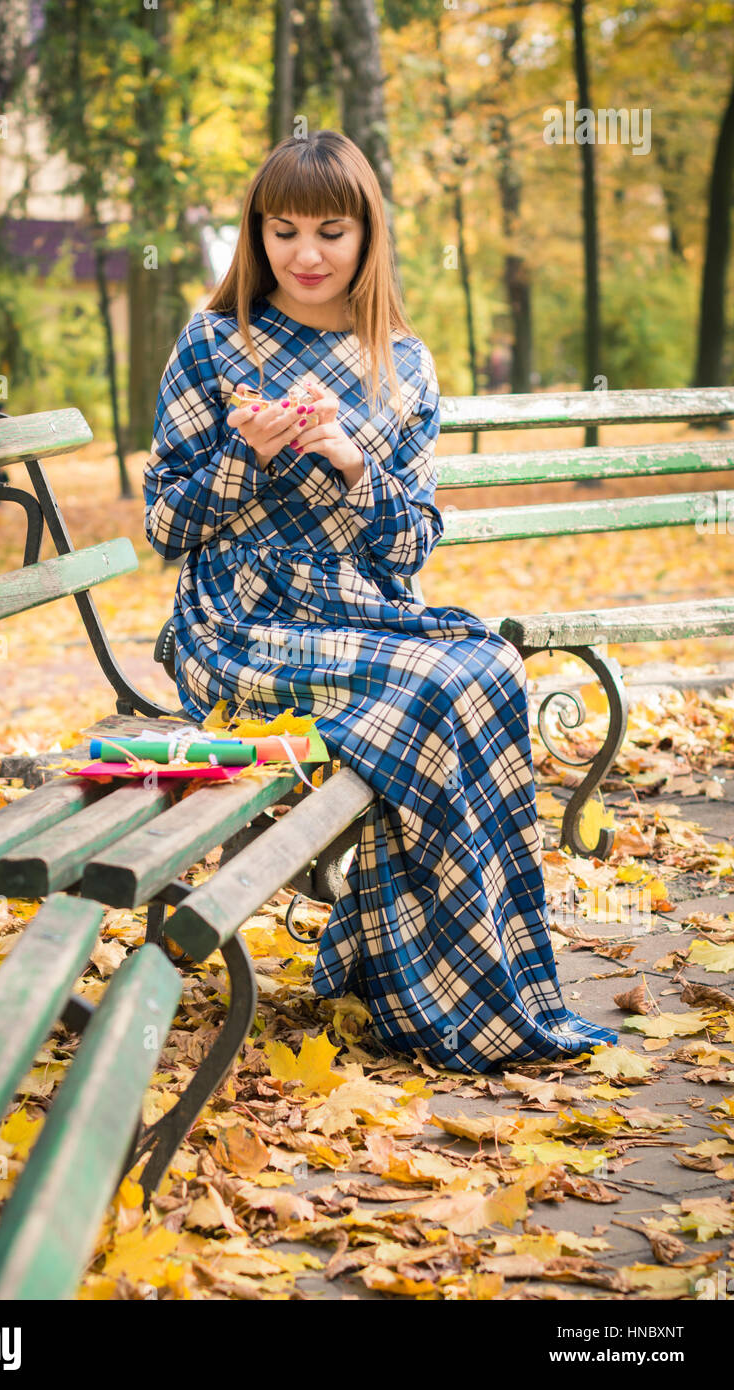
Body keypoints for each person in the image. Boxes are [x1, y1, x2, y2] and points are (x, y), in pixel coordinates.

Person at [143, 129, 617, 1073]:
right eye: (282, 232)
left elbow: (409, 549)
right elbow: (165, 527)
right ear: (256, 233)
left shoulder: (402, 362)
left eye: (330, 231)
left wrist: (357, 468)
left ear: (368, 236)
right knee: (441, 690)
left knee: (484, 667)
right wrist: (249, 458)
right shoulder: (214, 342)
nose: (306, 255)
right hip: (235, 624)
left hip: (354, 610)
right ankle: (433, 993)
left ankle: (460, 983)